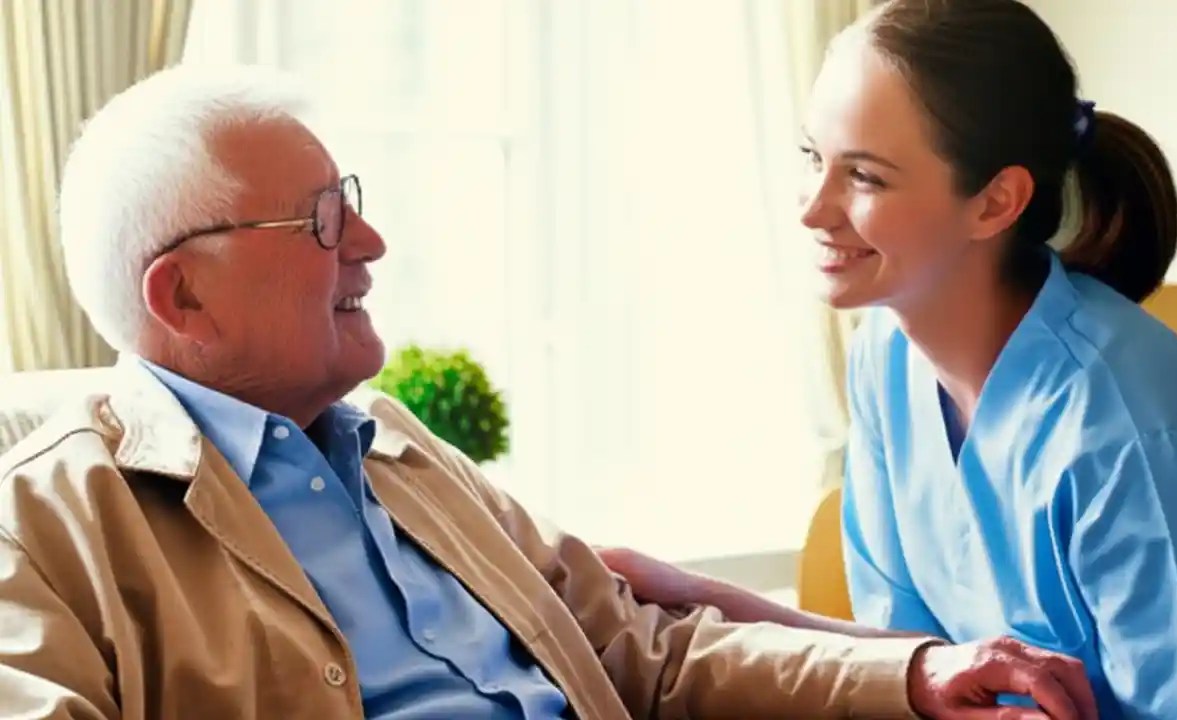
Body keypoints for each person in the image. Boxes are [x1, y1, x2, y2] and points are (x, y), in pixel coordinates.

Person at [0, 64, 1098, 720]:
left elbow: (637, 649)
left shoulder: (397, 450)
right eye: (324, 219)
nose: (372, 243)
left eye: (355, 203)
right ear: (182, 296)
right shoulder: (44, 525)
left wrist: (911, 676)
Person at [599, 0, 1177, 718]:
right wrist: (700, 598)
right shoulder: (885, 360)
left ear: (995, 202)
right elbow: (913, 663)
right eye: (812, 157)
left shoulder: (1133, 431)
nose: (812, 208)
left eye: (864, 176)